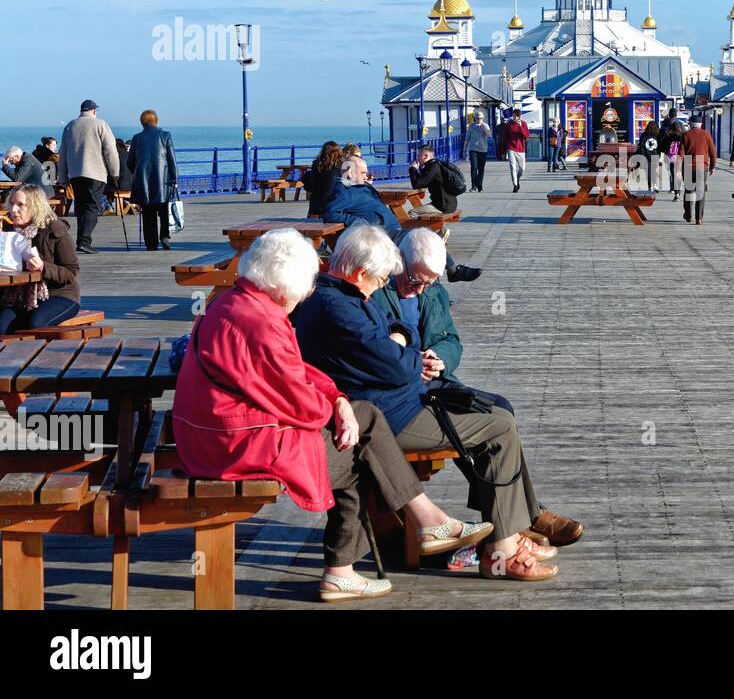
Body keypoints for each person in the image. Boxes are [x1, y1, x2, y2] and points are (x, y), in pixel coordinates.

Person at [173, 229, 490, 602]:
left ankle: (394, 540)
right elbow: (298, 403)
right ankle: (385, 544)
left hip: (211, 436)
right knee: (359, 446)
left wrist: (338, 400)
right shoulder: (261, 322)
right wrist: (337, 410)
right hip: (234, 446)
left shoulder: (234, 302)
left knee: (362, 424)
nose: (307, 292)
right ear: (286, 283)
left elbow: (296, 372)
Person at [294, 224, 572, 580]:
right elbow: (394, 367)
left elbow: (409, 334)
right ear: (362, 273)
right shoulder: (343, 307)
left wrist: (407, 343)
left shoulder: (347, 296)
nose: (382, 286)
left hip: (404, 399)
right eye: (381, 280)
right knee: (499, 429)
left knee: (498, 410)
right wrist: (408, 355)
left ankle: (512, 529)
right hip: (391, 413)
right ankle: (502, 547)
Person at [372, 228, 582, 547]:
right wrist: (411, 360)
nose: (422, 288)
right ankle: (521, 518)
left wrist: (440, 358)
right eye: (416, 280)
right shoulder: (376, 290)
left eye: (430, 281)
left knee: (499, 407)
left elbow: (449, 340)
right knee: (490, 427)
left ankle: (514, 514)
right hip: (399, 394)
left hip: (434, 382)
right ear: (399, 261)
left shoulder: (431, 290)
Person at [325, 156, 479, 282]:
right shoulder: (343, 191)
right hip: (382, 235)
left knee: (423, 245)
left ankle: (439, 286)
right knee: (422, 242)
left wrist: (368, 184)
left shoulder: (359, 186)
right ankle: (452, 271)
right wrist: (359, 223)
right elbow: (331, 213)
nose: (366, 175)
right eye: (363, 172)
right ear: (349, 173)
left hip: (393, 230)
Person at [0, 185, 80, 334]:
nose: (14, 210)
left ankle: (43, 356)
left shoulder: (53, 230)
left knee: (35, 324)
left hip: (58, 294)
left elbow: (72, 272)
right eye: (12, 204)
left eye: (20, 205)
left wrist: (43, 267)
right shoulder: (7, 231)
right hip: (18, 297)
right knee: (1, 327)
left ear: (35, 206)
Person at [57, 99, 119, 254]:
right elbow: (111, 151)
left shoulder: (70, 126)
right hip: (95, 173)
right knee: (92, 208)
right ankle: (84, 241)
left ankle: (81, 241)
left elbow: (62, 154)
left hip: (76, 174)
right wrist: (115, 173)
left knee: (80, 207)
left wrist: (63, 178)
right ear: (94, 111)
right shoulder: (101, 125)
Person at [125, 109, 178, 251]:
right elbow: (171, 160)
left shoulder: (136, 138)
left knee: (148, 214)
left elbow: (130, 161)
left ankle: (151, 242)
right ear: (156, 121)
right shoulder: (165, 135)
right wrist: (174, 178)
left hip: (143, 181)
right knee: (164, 210)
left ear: (142, 122)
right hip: (163, 181)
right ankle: (165, 236)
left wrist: (137, 173)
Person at [679, 113, 717, 225]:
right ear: (700, 124)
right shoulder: (706, 134)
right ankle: (699, 218)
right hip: (702, 165)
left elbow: (681, 153)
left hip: (689, 165)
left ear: (691, 124)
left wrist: (679, 168)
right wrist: (713, 166)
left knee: (688, 191)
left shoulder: (686, 135)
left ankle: (688, 215)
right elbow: (713, 152)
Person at [408, 145, 458, 217]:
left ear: (425, 156)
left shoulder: (433, 167)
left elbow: (416, 185)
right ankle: (439, 228)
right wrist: (415, 170)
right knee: (422, 213)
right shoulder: (435, 164)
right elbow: (422, 183)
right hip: (448, 204)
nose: (418, 158)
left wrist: (412, 169)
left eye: (419, 155)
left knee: (411, 213)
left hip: (443, 206)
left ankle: (424, 228)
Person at [303, 141, 343, 216]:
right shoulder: (338, 167)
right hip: (333, 204)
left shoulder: (316, 164)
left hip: (315, 204)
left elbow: (311, 184)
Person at [502, 108, 529, 193]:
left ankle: (517, 179)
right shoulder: (508, 125)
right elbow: (504, 138)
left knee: (522, 169)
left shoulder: (523, 124)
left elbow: (526, 136)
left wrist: (520, 126)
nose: (514, 117)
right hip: (511, 148)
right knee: (512, 167)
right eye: (513, 116)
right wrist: (503, 151)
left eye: (516, 116)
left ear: (519, 116)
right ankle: (515, 185)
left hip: (521, 149)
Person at [635, 120, 661, 193]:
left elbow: (640, 145)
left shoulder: (644, 134)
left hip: (646, 155)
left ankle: (650, 187)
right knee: (653, 170)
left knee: (648, 172)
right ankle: (655, 185)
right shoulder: (657, 135)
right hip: (655, 155)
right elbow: (660, 146)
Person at [466, 114, 491, 192]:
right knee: (474, 168)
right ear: (475, 118)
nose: (479, 119)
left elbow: (489, 135)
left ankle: (480, 186)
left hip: (483, 150)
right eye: (477, 118)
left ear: (483, 118)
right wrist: (464, 150)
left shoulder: (485, 125)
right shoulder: (471, 126)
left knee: (481, 169)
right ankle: (473, 186)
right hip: (473, 150)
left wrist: (483, 127)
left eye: (480, 118)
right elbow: (467, 139)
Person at [665, 120, 685, 201]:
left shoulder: (668, 135)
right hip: (681, 157)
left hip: (672, 157)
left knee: (673, 174)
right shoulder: (684, 135)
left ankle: (675, 192)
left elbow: (665, 145)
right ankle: (678, 192)